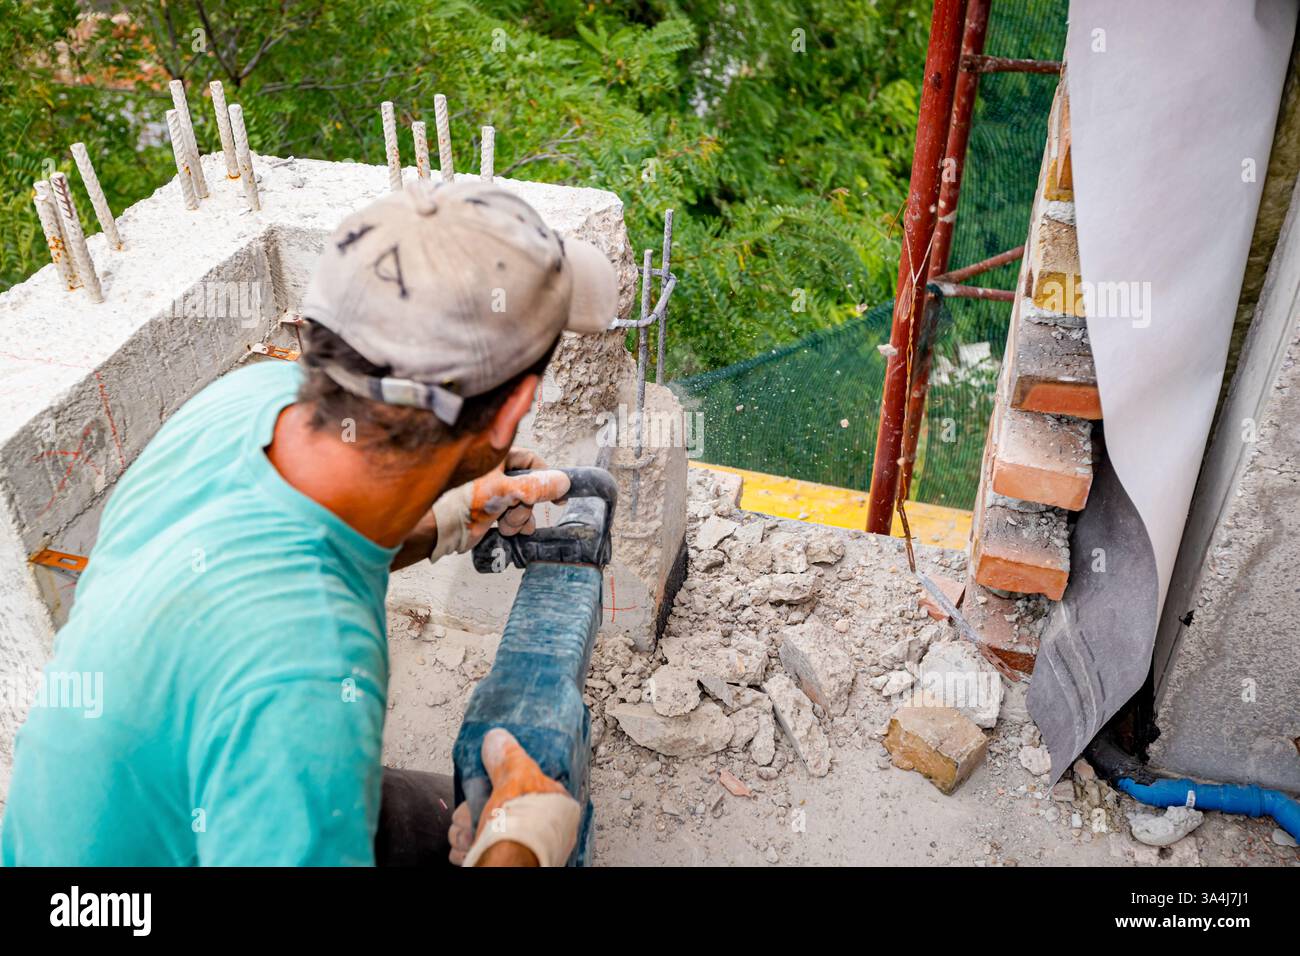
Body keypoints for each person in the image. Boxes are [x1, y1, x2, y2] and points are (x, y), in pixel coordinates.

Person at [0, 179, 618, 867]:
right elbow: (288, 675)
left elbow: (310, 544)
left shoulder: (246, 400)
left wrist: (451, 518)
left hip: (121, 821)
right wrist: (518, 847)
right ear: (511, 412)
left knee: (421, 817)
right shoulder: (306, 686)